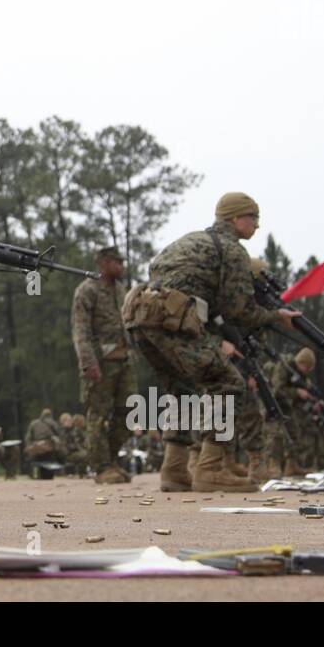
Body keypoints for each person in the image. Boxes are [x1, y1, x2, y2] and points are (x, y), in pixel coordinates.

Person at [123, 193, 301, 492]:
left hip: (139, 317)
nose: (257, 225)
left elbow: (159, 270)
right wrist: (275, 316)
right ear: (234, 219)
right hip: (172, 318)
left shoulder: (191, 240)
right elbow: (240, 310)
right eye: (252, 217)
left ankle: (175, 470)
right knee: (229, 384)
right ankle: (209, 469)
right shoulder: (231, 250)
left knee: (180, 390)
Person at [72, 246, 139, 484]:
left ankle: (110, 460)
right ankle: (100, 467)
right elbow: (80, 331)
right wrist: (88, 363)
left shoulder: (121, 290)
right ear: (104, 264)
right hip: (100, 363)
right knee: (98, 415)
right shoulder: (87, 290)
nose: (121, 267)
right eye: (117, 263)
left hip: (124, 360)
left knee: (130, 410)